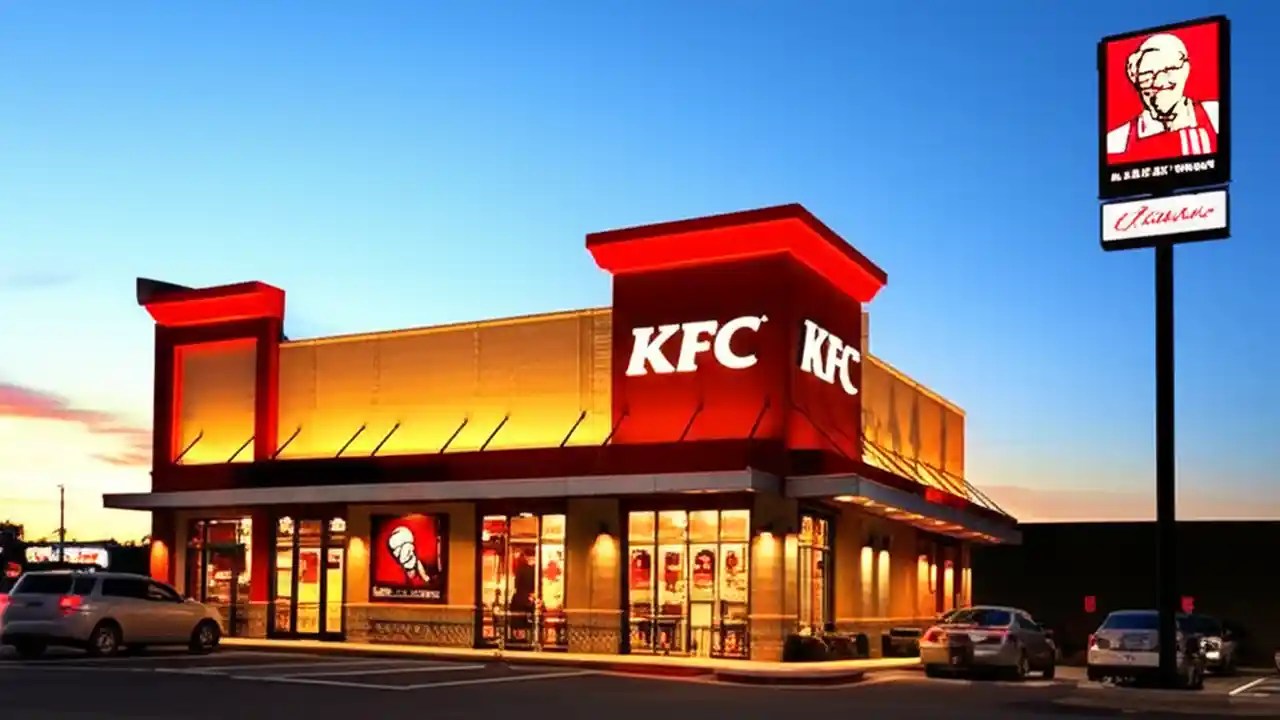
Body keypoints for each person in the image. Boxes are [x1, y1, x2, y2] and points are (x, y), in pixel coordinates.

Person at [1106, 33, 1220, 163]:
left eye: (1167, 70)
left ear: (1185, 70)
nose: (1158, 82)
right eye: (1146, 75)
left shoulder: (1215, 116)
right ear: (1135, 79)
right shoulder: (1115, 143)